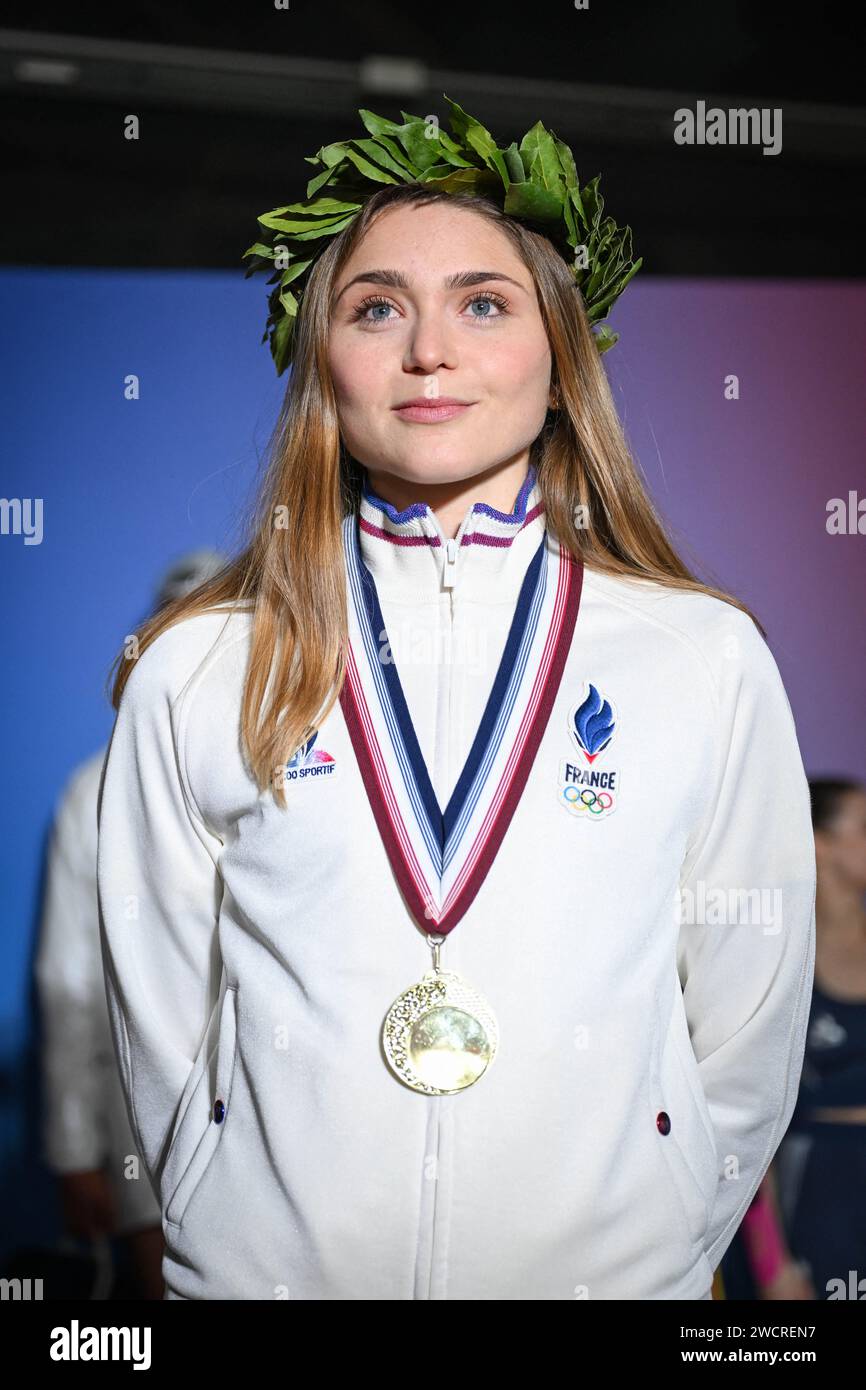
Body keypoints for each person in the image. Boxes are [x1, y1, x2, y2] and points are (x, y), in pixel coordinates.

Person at [96, 99, 816, 1300]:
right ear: (324, 355)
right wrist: (227, 1217)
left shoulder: (701, 655)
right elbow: (160, 1019)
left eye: (483, 303)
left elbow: (747, 1021)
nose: (428, 350)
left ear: (558, 351)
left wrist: (664, 1238)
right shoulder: (198, 664)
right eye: (377, 307)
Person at [36, 549, 226, 1299]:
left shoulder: (300, 768)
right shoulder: (93, 793)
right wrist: (74, 1152)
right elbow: (69, 984)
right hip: (147, 1123)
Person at [773, 778, 866, 1299]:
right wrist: (774, 1266)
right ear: (818, 843)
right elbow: (744, 1128)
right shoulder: (780, 960)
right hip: (815, 1195)